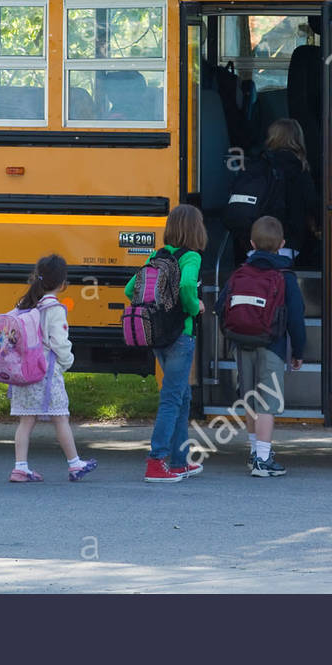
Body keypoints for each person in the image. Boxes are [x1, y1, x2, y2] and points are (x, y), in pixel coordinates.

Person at [218, 215, 306, 477]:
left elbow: (220, 306)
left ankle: (255, 452)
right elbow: (296, 318)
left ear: (252, 243)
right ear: (282, 244)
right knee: (267, 402)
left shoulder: (240, 272)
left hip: (242, 343)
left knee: (249, 399)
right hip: (273, 346)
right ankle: (264, 460)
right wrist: (299, 351)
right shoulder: (285, 275)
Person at [126, 203, 206, 483]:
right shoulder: (191, 257)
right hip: (181, 335)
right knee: (173, 398)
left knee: (183, 396)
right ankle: (156, 461)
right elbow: (186, 287)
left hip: (157, 334)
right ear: (197, 229)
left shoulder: (156, 255)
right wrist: (196, 308)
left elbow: (129, 289)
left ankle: (180, 461)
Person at [7, 255, 98, 483]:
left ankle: (20, 467)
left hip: (22, 374)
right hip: (45, 374)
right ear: (62, 283)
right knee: (61, 418)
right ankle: (75, 463)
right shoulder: (54, 309)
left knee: (26, 421)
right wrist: (67, 362)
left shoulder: (22, 306)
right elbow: (60, 342)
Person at [262, 118, 321, 266]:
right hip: (289, 238)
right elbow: (311, 202)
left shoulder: (262, 163)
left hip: (259, 233)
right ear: (297, 138)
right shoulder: (298, 168)